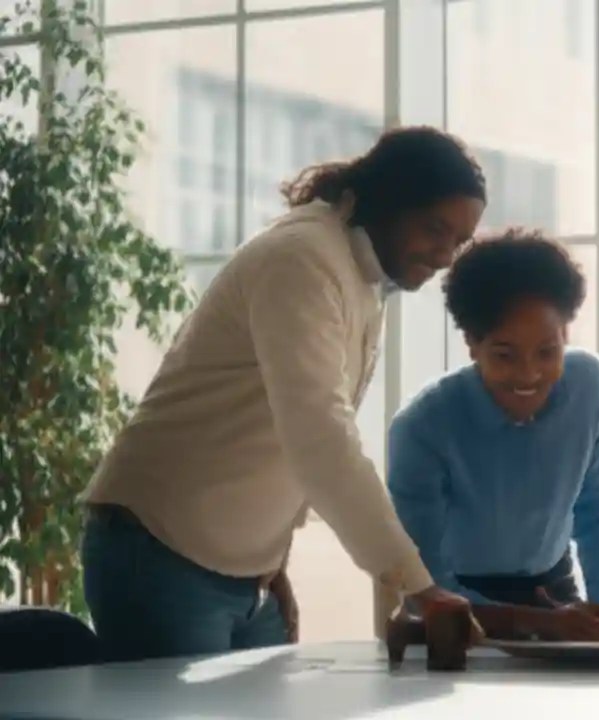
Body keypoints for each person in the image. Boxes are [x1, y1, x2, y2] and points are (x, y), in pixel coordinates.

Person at [81, 126, 487, 662]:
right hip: (160, 549)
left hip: (244, 572)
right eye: (436, 229)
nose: (445, 256)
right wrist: (419, 587)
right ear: (390, 200)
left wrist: (271, 560)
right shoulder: (302, 259)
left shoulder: (361, 274)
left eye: (459, 242)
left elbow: (284, 437)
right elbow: (321, 438)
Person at [389, 229, 599, 642]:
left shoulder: (590, 386)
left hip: (556, 589)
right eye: (505, 355)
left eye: (547, 352)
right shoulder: (422, 427)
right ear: (472, 343)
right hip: (459, 604)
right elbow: (424, 584)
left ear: (566, 335)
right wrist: (539, 622)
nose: (529, 374)